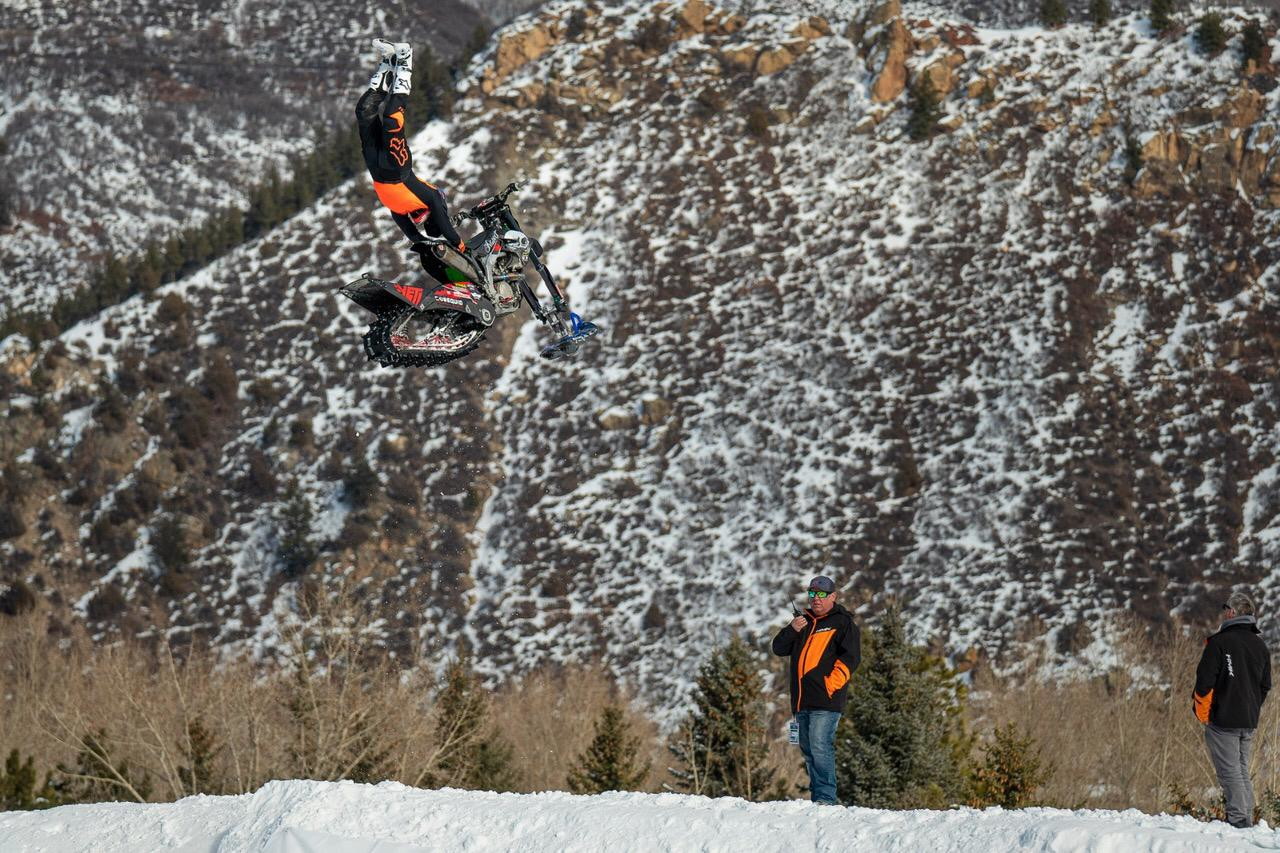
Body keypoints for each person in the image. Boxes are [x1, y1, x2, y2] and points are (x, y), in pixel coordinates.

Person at [355, 38, 470, 285]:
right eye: (424, 220)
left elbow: (415, 238)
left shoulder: (401, 213)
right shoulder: (433, 200)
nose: (418, 220)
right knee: (391, 119)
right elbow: (447, 229)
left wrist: (425, 243)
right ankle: (405, 62)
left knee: (364, 112)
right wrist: (460, 247)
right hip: (398, 169)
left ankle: (388, 62)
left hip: (375, 167)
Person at [771, 575, 861, 805]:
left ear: (833, 596)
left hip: (826, 700)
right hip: (801, 701)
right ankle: (817, 798)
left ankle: (825, 799)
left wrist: (830, 685)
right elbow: (779, 648)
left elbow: (851, 658)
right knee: (809, 750)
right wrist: (791, 629)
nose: (816, 599)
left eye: (821, 594)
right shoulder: (803, 622)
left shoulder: (842, 623)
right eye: (812, 594)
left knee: (820, 746)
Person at [1193, 590, 1271, 829]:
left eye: (1225, 608)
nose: (1223, 612)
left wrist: (1205, 716)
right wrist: (1250, 708)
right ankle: (1245, 819)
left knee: (1230, 774)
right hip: (1248, 720)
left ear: (1232, 612)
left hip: (1223, 721)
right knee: (1241, 771)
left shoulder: (1219, 642)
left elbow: (1204, 684)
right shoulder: (1260, 646)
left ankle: (1239, 822)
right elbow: (1265, 686)